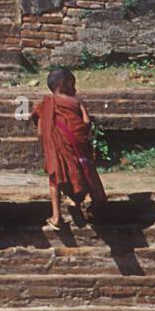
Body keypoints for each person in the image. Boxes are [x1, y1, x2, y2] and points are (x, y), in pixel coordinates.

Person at [31, 67, 108, 230]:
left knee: (55, 177)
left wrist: (53, 139)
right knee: (80, 173)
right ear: (63, 83)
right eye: (73, 84)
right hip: (78, 146)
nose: (75, 89)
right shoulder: (77, 101)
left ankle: (57, 216)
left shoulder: (45, 105)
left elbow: (40, 131)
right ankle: (78, 206)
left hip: (57, 147)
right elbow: (86, 123)